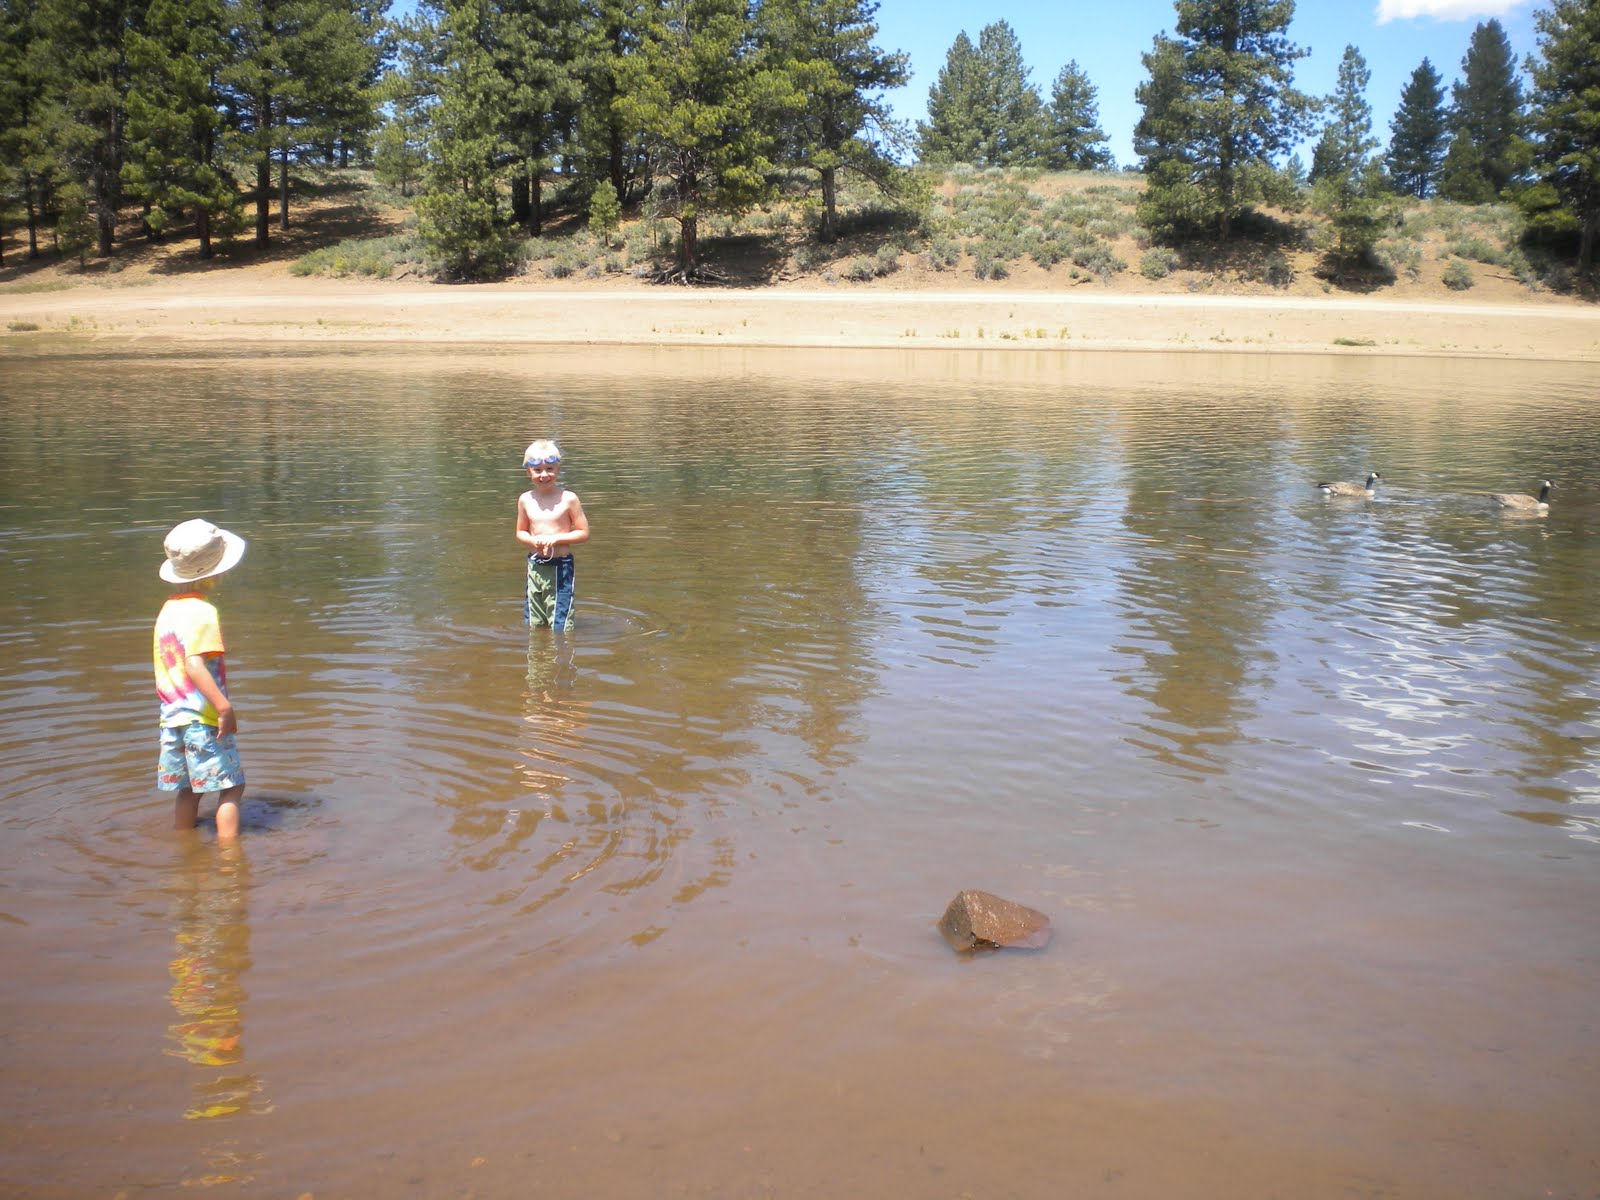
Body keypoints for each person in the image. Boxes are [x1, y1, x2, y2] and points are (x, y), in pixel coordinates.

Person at [154, 519, 247, 840]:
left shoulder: (168, 610)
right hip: (203, 719)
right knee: (232, 786)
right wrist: (224, 708)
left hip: (172, 720)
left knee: (190, 788)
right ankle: (230, 856)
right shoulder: (203, 612)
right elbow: (194, 665)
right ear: (216, 572)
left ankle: (184, 843)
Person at [515, 439, 589, 630]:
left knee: (561, 624)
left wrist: (556, 539)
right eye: (537, 470)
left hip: (560, 566)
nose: (544, 475)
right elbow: (520, 532)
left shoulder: (568, 499)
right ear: (528, 472)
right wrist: (532, 540)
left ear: (558, 469)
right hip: (535, 565)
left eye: (549, 469)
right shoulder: (525, 500)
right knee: (534, 622)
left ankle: (561, 648)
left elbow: (583, 532)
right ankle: (537, 648)